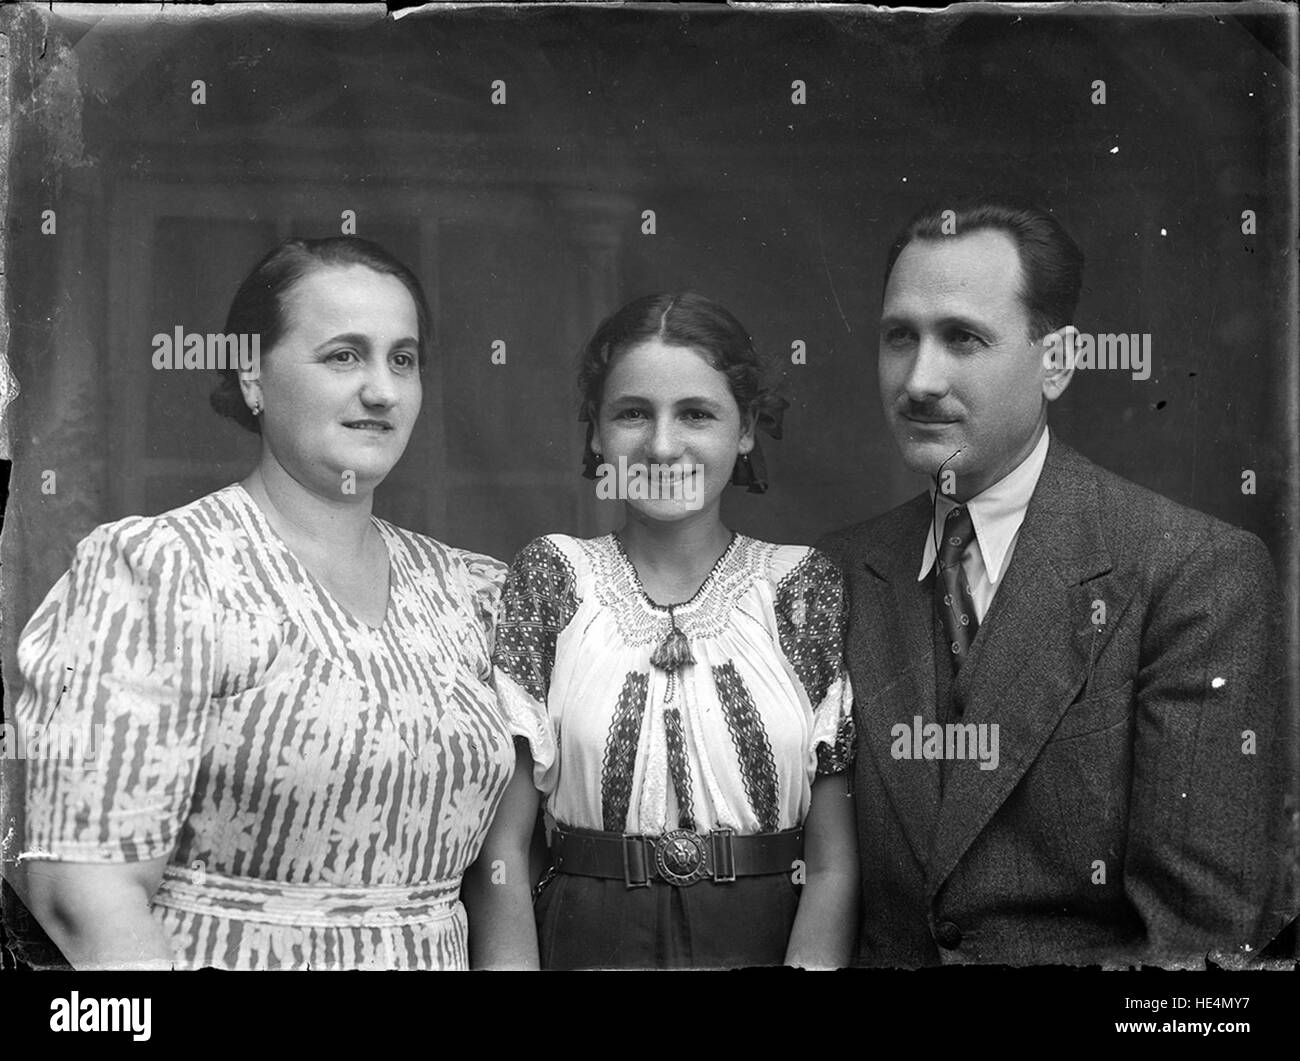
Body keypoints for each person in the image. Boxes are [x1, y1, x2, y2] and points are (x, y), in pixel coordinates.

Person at [14, 236, 513, 970]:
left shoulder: (470, 591)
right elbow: (83, 890)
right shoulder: (164, 572)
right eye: (344, 355)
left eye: (401, 359)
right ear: (252, 376)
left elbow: (499, 880)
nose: (381, 389)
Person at [818, 202, 1294, 967]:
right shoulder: (834, 574)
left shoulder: (1192, 574)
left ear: (1059, 360)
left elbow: (1197, 945)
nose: (918, 378)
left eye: (963, 338)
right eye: (899, 336)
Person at [463, 292, 859, 969]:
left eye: (697, 414)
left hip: (766, 933)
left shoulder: (799, 585)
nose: (663, 444)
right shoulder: (555, 574)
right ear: (595, 432)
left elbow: (831, 865)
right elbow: (503, 853)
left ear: (745, 431)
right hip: (589, 935)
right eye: (633, 413)